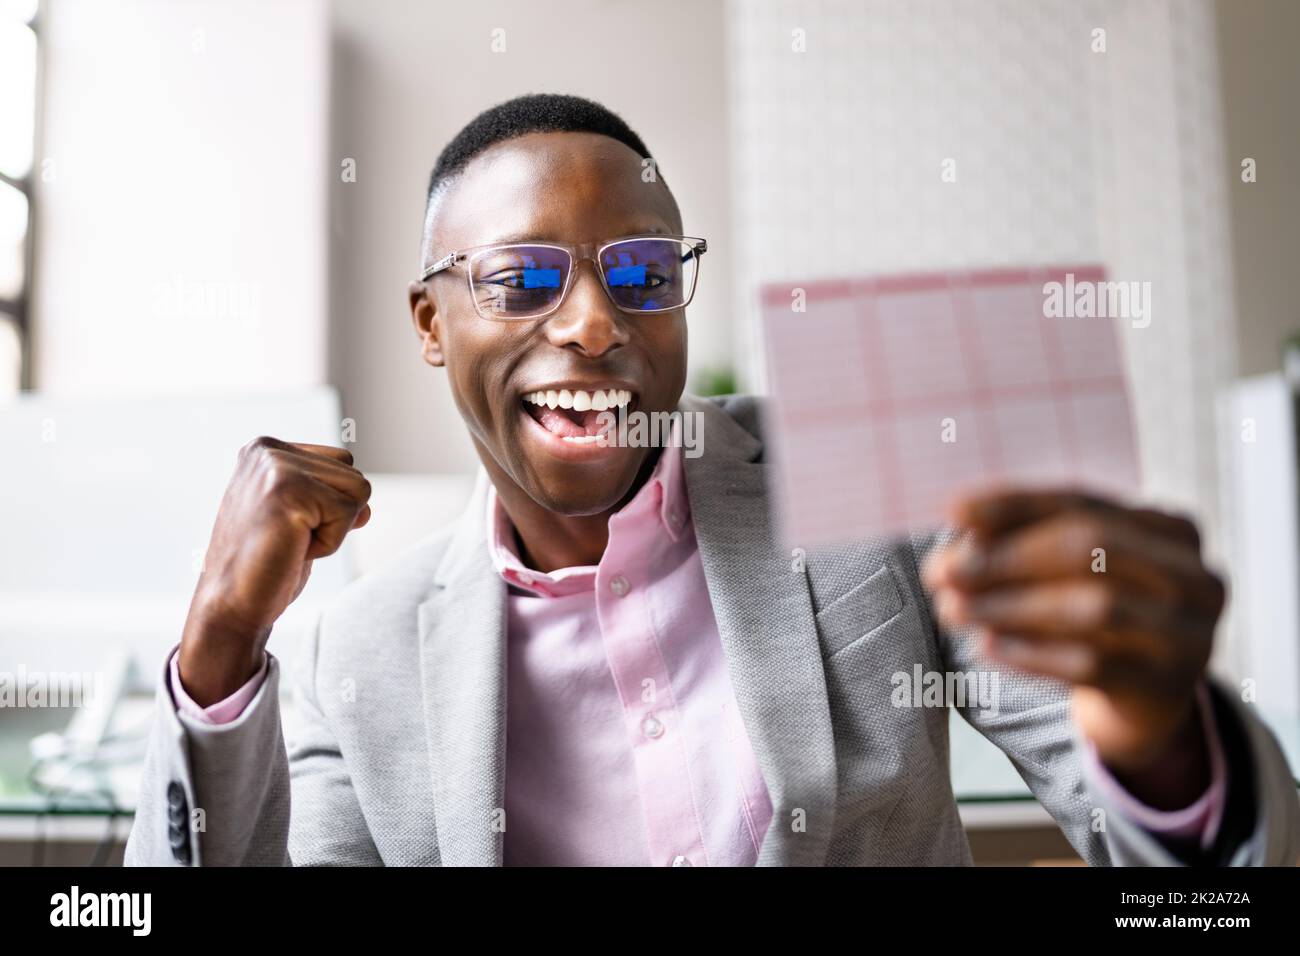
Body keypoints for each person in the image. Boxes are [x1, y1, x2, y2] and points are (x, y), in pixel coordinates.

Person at [125, 93, 1298, 867]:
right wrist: (219, 646)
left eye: (640, 271)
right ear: (432, 322)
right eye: (522, 277)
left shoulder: (860, 472)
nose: (591, 321)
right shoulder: (357, 655)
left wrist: (1163, 741)